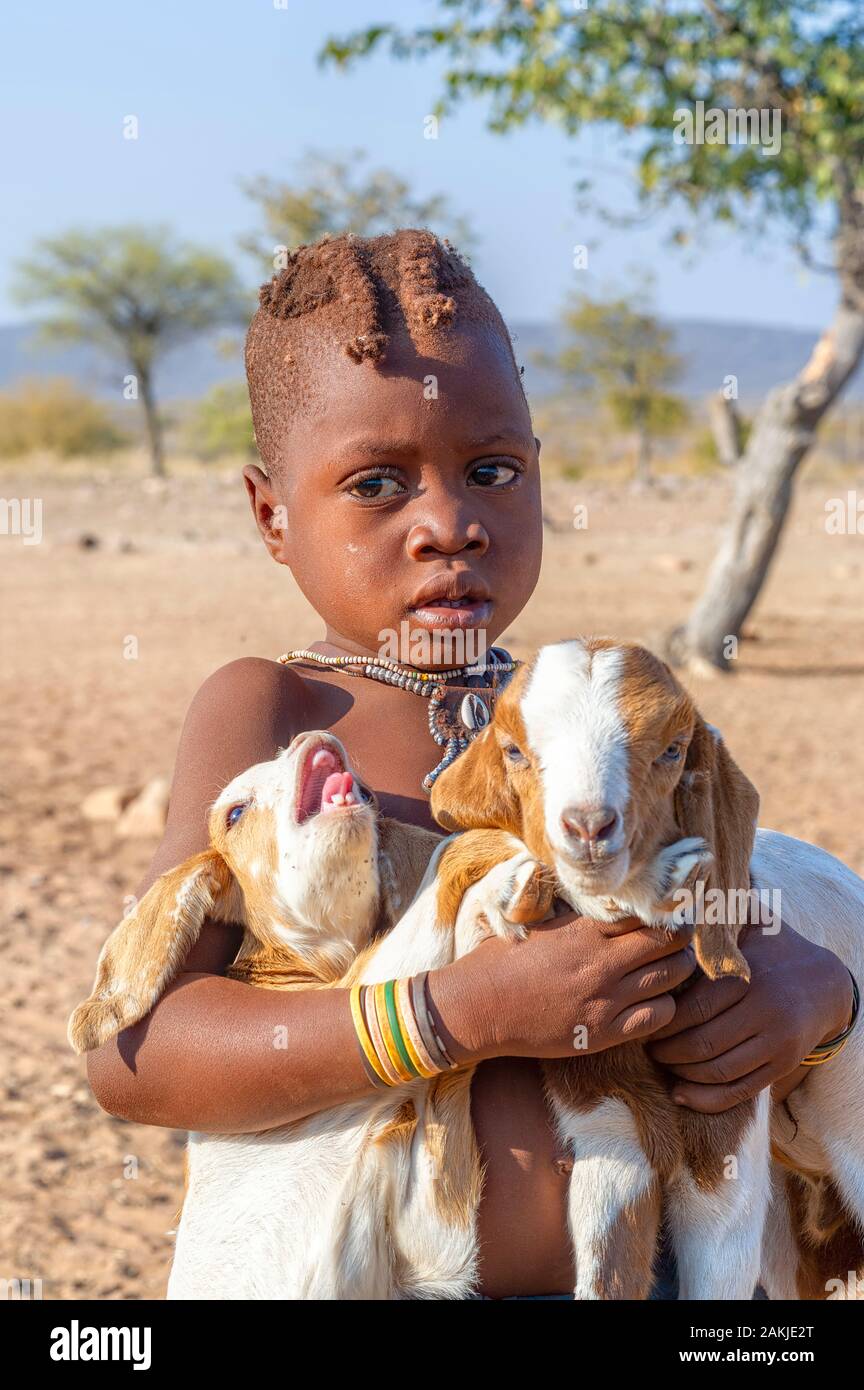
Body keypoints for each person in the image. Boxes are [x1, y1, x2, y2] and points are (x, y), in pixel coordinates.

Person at [85, 229, 854, 1299]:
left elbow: (720, 904)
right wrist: (457, 1012)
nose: (450, 524)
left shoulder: (575, 713)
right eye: (378, 485)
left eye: (493, 471)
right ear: (272, 514)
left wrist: (819, 1007)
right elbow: (143, 1055)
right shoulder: (277, 711)